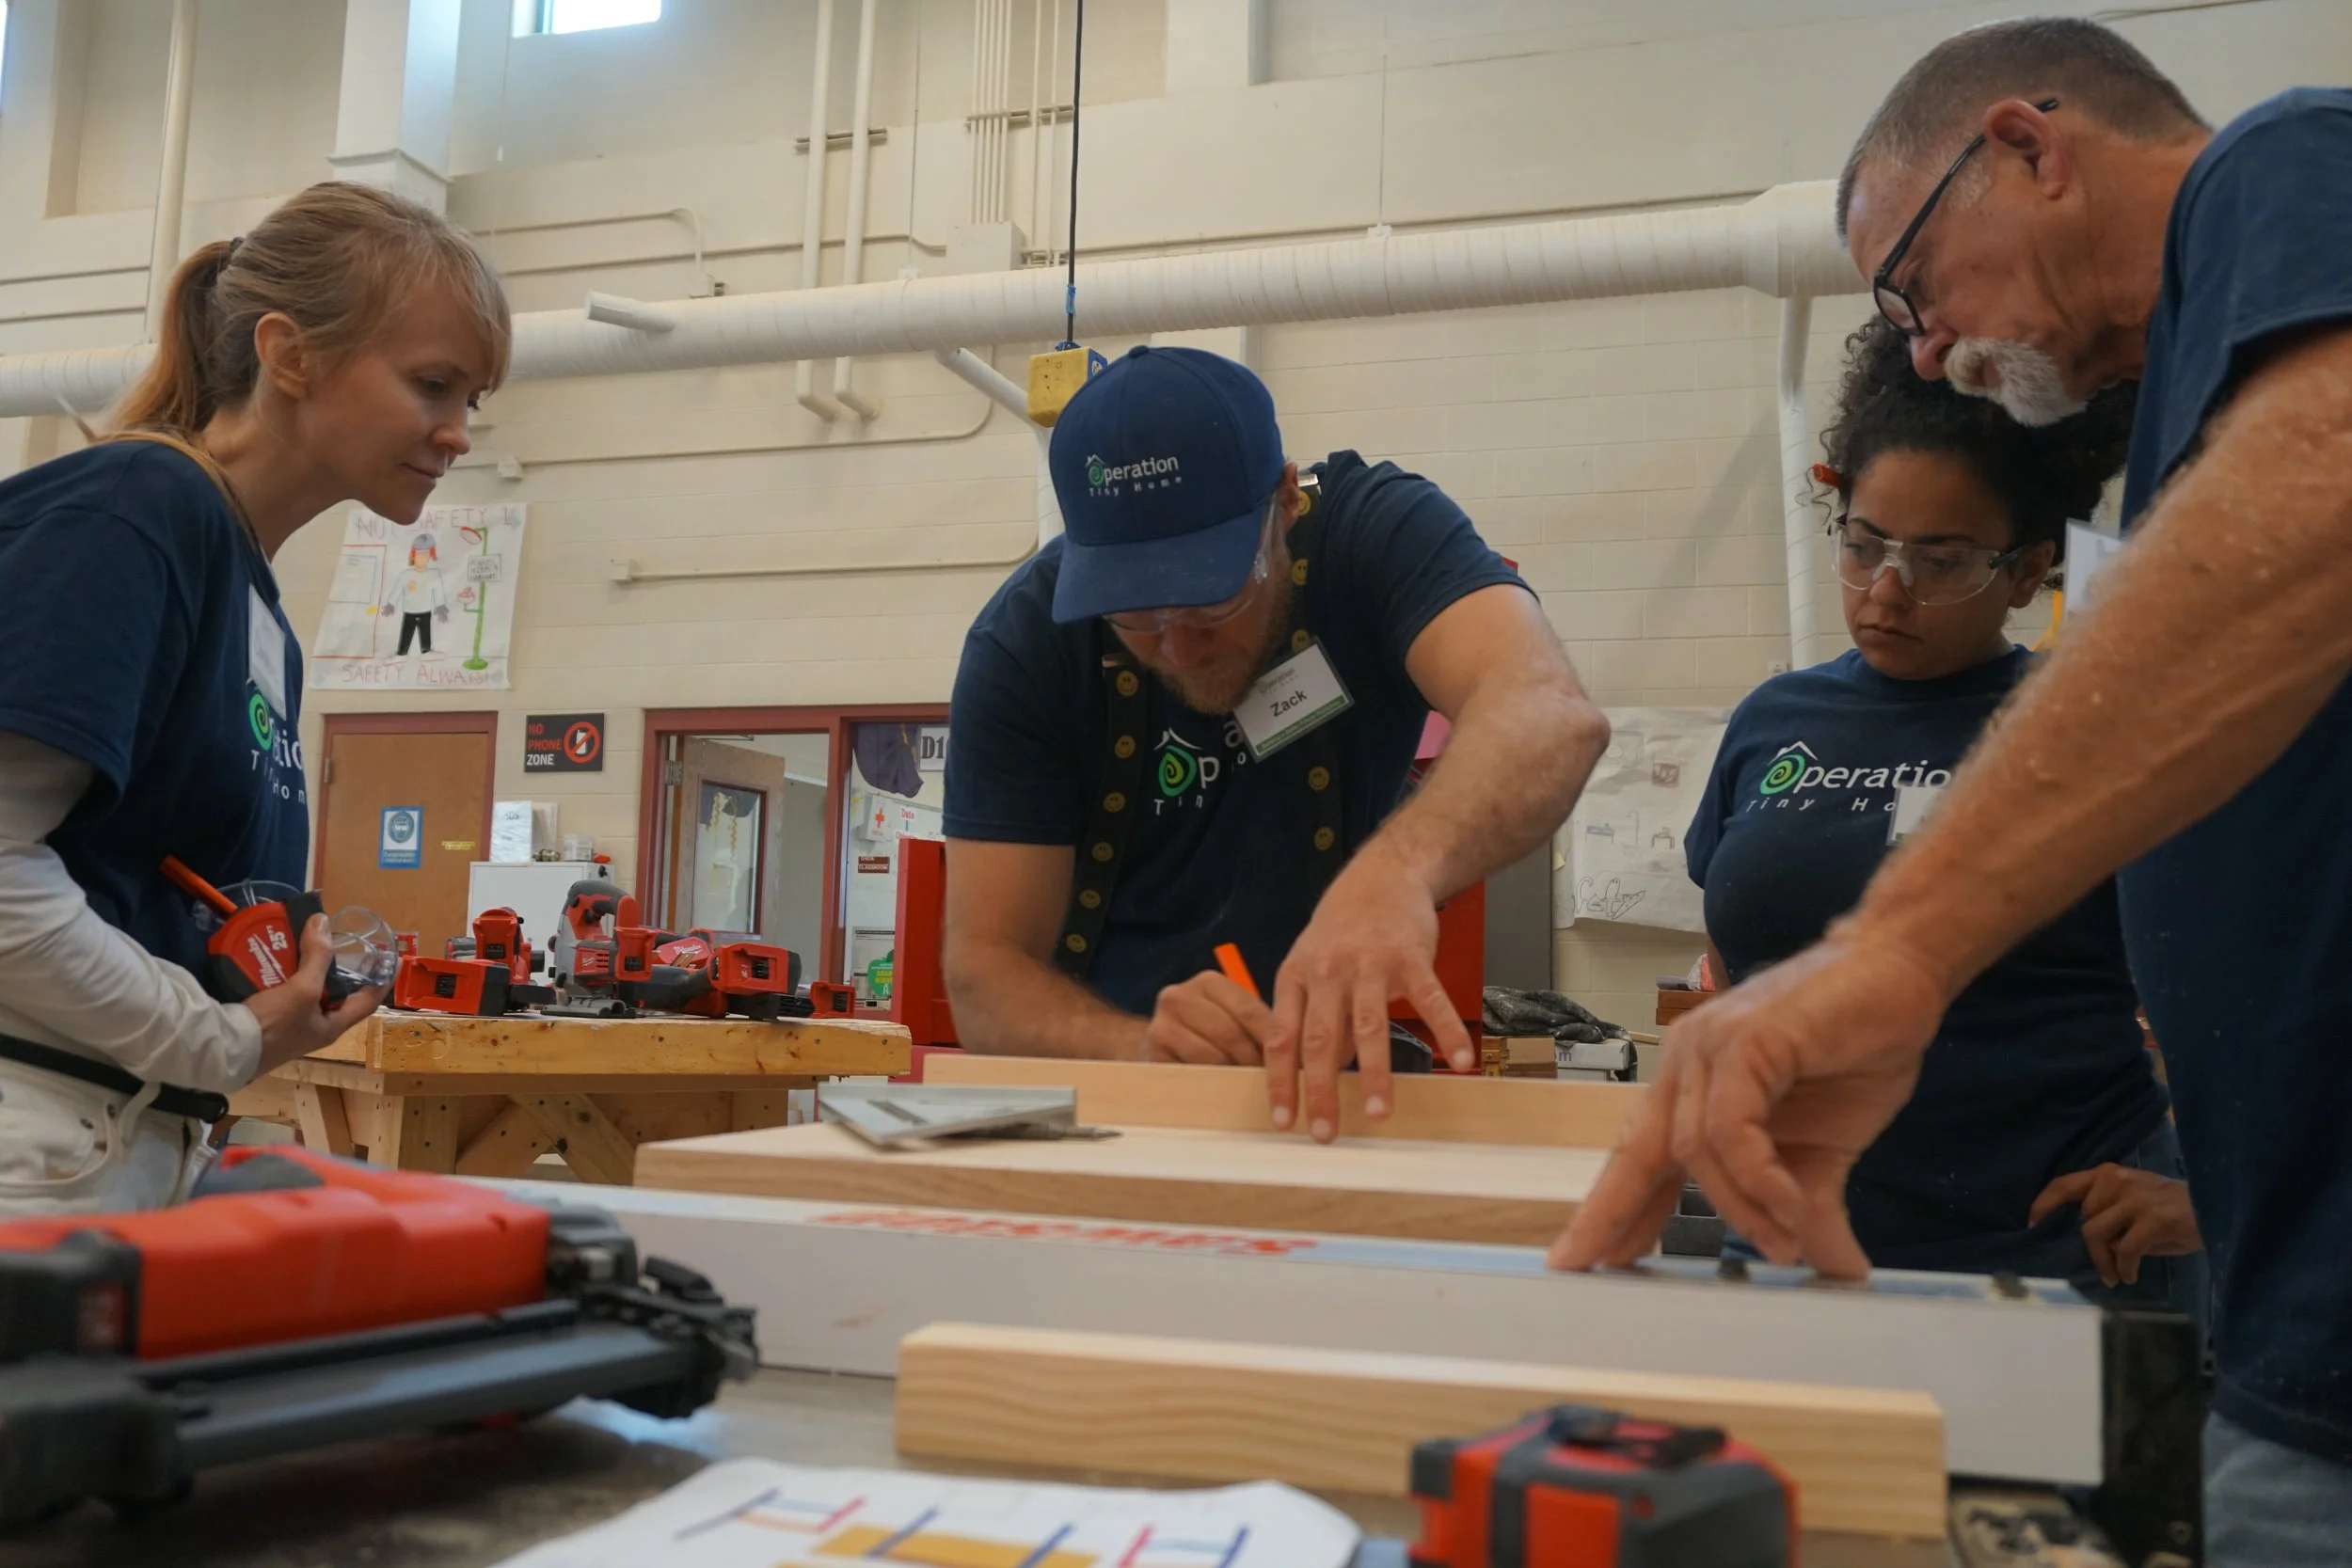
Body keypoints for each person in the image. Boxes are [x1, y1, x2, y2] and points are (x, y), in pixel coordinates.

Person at [1555, 19, 2352, 1556]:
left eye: (1914, 289)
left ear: (2030, 152)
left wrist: (1899, 943)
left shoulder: (2283, 168)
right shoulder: (2190, 401)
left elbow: (2322, 485)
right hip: (2290, 1325)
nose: (1920, 351)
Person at [943, 346, 1609, 1140]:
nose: (1178, 646)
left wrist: (1393, 873)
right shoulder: (1026, 642)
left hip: (1335, 1099)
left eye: (1211, 600)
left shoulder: (1374, 532)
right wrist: (1142, 1048)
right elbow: (985, 975)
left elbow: (1548, 711)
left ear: (1285, 500)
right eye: (1135, 616)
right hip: (1120, 1106)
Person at [0, 182, 510, 1214]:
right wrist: (222, 1034)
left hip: (127, 1136)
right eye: (432, 385)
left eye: (472, 403)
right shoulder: (138, 511)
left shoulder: (257, 603)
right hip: (40, 1139)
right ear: (290, 355)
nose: (457, 434)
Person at [1689, 315, 2199, 1302]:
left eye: (1940, 560)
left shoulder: (2093, 727)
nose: (1886, 590)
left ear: (2023, 569)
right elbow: (1739, 956)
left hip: (2057, 1252)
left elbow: (2252, 973)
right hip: (1796, 1243)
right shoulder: (1774, 721)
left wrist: (2215, 1189)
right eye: (1865, 542)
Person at [385, 531, 451, 655]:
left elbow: (438, 590)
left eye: (426, 554)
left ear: (431, 555)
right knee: (406, 635)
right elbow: (397, 589)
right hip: (409, 612)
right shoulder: (406, 574)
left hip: (425, 611)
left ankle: (426, 652)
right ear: (413, 555)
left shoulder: (433, 574)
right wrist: (391, 603)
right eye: (420, 554)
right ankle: (401, 653)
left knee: (425, 636)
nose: (423, 557)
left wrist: (440, 605)